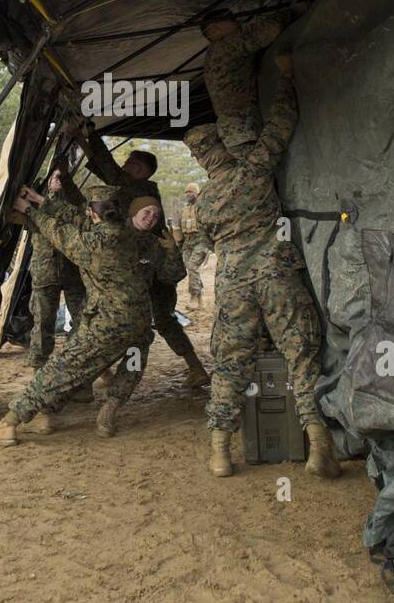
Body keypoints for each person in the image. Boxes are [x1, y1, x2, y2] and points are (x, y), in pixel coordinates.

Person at [184, 77, 341, 480]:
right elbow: (281, 125)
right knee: (301, 355)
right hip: (277, 276)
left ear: (202, 159)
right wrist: (287, 77)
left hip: (234, 285)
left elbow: (198, 247)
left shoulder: (203, 204)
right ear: (219, 148)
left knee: (229, 364)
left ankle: (220, 450)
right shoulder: (253, 172)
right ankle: (319, 445)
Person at [0, 187, 153, 446]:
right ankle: (110, 408)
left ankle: (11, 422)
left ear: (93, 213)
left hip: (107, 324)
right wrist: (40, 199)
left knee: (63, 369)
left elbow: (59, 232)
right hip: (140, 322)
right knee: (132, 364)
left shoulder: (92, 244)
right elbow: (75, 217)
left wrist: (28, 210)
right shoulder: (127, 232)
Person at [80, 128, 209, 389]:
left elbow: (106, 165)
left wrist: (86, 135)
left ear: (142, 171)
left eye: (131, 163)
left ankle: (196, 368)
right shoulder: (136, 189)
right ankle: (104, 372)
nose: (125, 165)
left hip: (158, 273)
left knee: (157, 320)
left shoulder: (138, 188)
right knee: (128, 319)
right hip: (145, 270)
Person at [99, 197, 188, 428]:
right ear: (133, 212)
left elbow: (172, 276)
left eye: (156, 215)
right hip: (103, 316)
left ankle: (111, 407)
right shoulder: (111, 234)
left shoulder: (154, 244)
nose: (151, 218)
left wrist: (172, 252)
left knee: (135, 361)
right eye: (146, 212)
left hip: (137, 318)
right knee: (83, 361)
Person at [201, 7, 296, 151]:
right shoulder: (224, 46)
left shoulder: (213, 55)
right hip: (243, 129)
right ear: (216, 27)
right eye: (231, 20)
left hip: (237, 131)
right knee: (260, 168)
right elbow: (263, 31)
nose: (237, 22)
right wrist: (292, 11)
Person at [26, 167, 86, 371]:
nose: (57, 180)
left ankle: (76, 368)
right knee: (43, 323)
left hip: (73, 270)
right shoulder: (35, 200)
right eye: (54, 176)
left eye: (62, 177)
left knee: (82, 322)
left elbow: (79, 218)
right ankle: (39, 372)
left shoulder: (74, 200)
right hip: (45, 270)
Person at [172, 182, 210, 306]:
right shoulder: (183, 209)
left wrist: (210, 246)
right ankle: (199, 298)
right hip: (187, 243)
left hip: (201, 241)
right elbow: (178, 228)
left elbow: (210, 225)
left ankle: (194, 296)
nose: (189, 194)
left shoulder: (203, 208)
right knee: (188, 267)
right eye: (187, 192)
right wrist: (179, 245)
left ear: (197, 193)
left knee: (192, 266)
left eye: (191, 192)